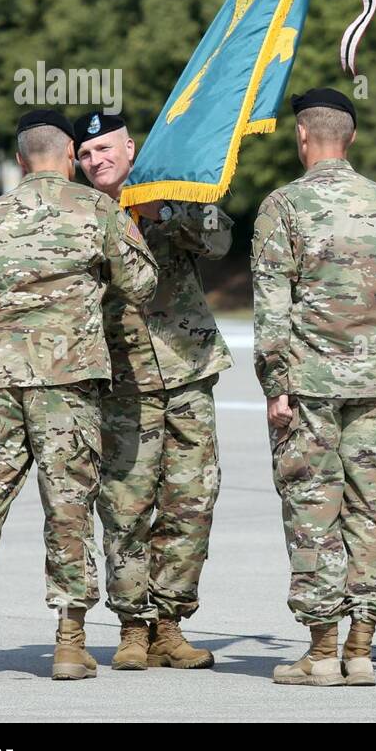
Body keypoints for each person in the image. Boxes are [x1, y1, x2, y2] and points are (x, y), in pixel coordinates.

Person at [0, 110, 158, 682]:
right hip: (66, 385)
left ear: (22, 159)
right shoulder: (97, 210)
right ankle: (70, 643)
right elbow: (142, 283)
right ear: (71, 154)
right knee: (69, 508)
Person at [253, 89, 376, 688]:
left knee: (312, 512)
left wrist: (275, 383)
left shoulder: (284, 206)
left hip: (308, 386)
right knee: (371, 512)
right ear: (350, 138)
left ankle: (322, 649)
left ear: (302, 136)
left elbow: (272, 309)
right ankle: (361, 648)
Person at [74, 111, 233, 672]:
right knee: (125, 505)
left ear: (131, 147)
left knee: (193, 501)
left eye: (105, 149)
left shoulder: (173, 191)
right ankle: (131, 626)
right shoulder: (80, 214)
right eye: (86, 154)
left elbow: (220, 238)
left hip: (187, 369)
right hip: (121, 381)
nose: (96, 161)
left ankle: (170, 622)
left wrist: (163, 212)